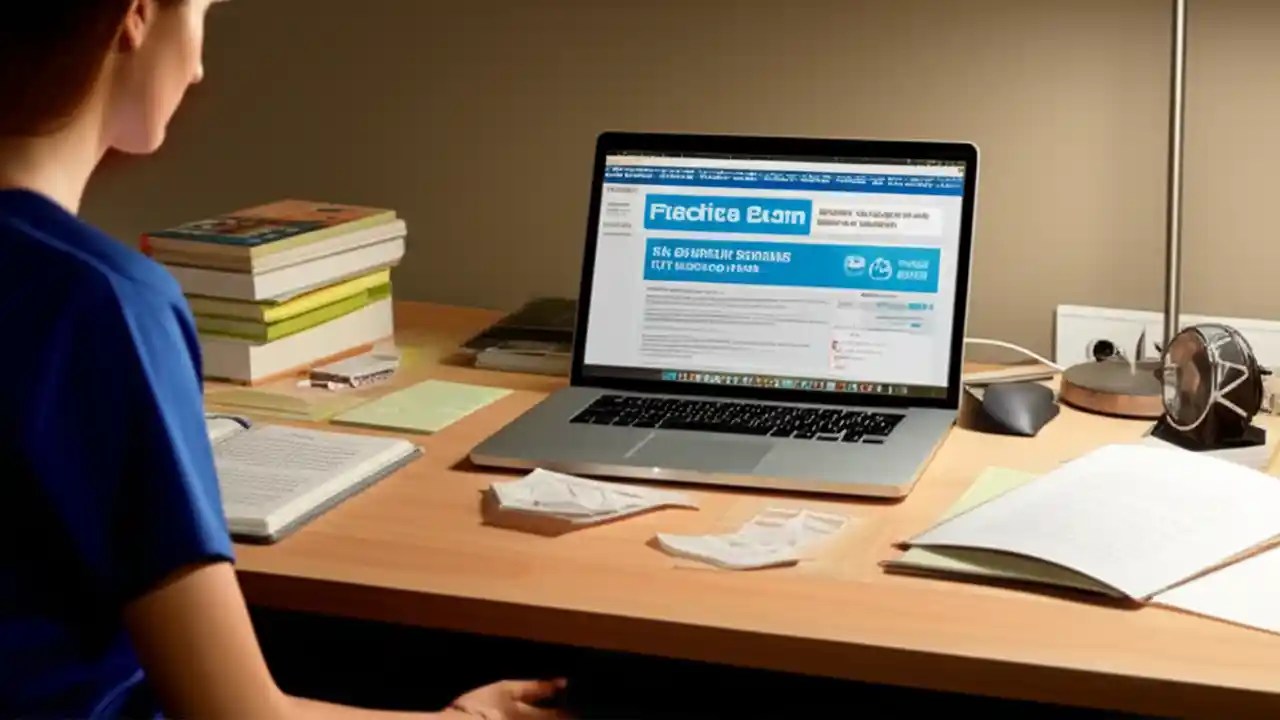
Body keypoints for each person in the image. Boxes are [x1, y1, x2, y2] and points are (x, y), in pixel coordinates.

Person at [0, 2, 567, 718]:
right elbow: (235, 712)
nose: (198, 67)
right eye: (201, 11)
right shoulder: (101, 303)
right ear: (137, 15)